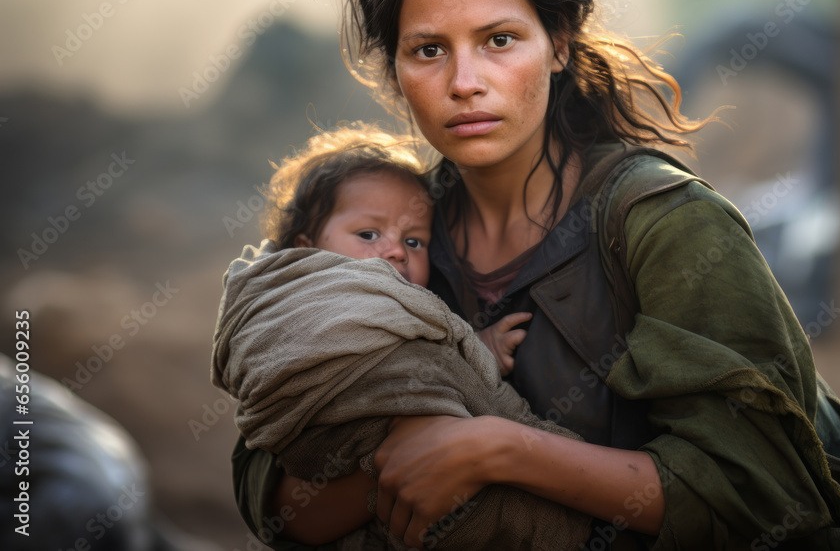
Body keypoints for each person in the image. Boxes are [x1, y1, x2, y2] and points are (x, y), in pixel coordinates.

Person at [230, 0, 840, 549]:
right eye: (429, 49)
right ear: (396, 70)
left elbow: (761, 493)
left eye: (499, 39)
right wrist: (396, 458)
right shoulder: (385, 236)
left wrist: (498, 447)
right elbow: (276, 479)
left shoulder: (670, 226)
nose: (465, 81)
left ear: (559, 43)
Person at [212, 125, 592, 549]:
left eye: (414, 240)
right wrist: (476, 360)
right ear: (307, 248)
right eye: (369, 234)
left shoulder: (416, 306)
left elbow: (426, 352)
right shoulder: (306, 302)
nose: (395, 251)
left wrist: (475, 348)